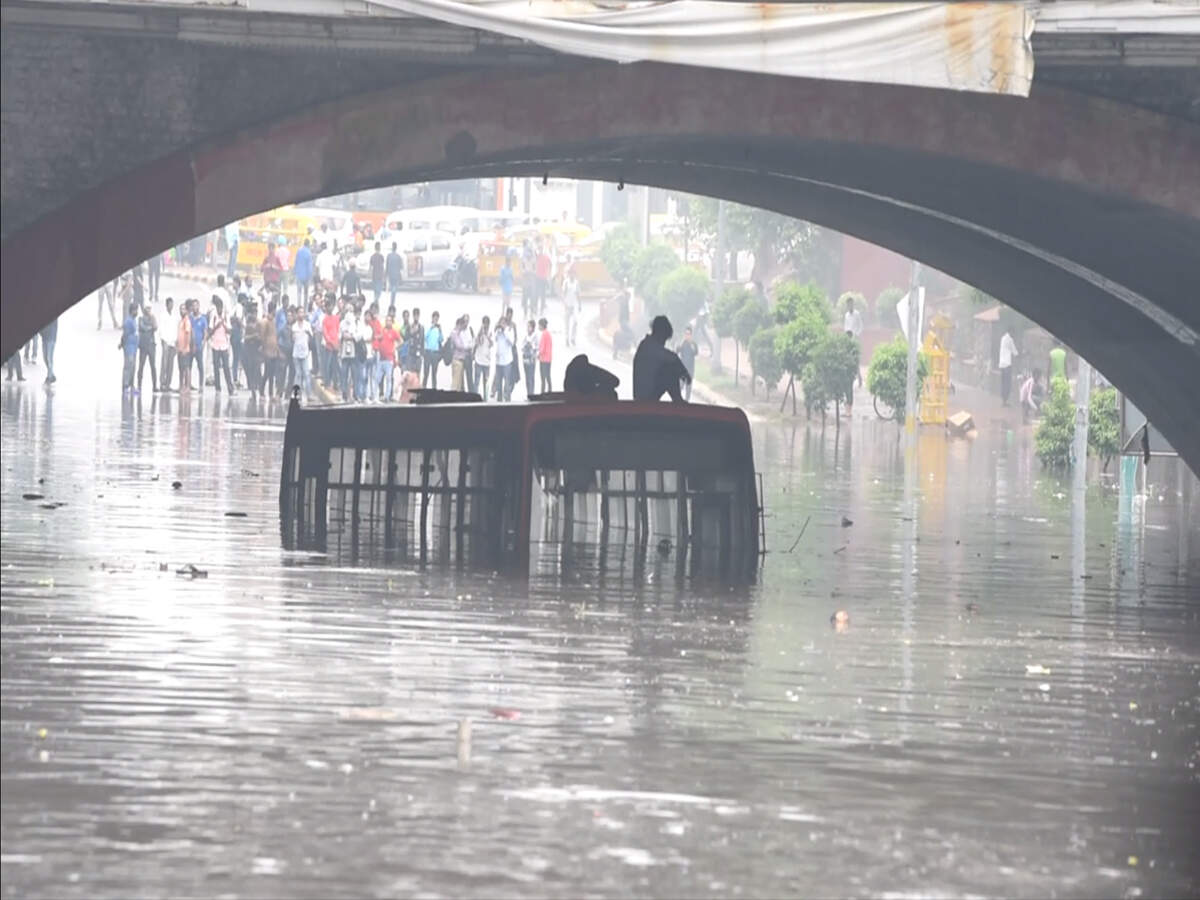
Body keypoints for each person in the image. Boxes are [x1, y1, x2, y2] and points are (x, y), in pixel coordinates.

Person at [633, 315, 690, 402]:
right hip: (645, 398)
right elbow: (673, 358)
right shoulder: (649, 346)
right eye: (664, 339)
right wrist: (684, 373)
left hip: (645, 395)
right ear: (660, 333)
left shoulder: (646, 345)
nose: (663, 343)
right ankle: (678, 400)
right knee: (669, 370)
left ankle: (678, 399)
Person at [209, 297, 234, 394]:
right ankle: (217, 388)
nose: (219, 309)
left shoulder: (226, 316)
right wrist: (216, 325)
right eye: (218, 307)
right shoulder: (214, 316)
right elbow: (210, 330)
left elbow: (230, 331)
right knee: (216, 367)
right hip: (215, 345)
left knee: (226, 368)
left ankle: (230, 388)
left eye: (220, 308)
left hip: (224, 345)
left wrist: (223, 324)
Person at [261, 300, 282, 399]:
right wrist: (264, 349)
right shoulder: (265, 321)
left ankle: (270, 393)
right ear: (272, 310)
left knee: (272, 374)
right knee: (267, 373)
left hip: (274, 351)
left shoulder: (273, 321)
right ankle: (262, 391)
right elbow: (263, 336)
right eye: (275, 310)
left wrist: (277, 349)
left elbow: (274, 336)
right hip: (267, 351)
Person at [378, 310, 401, 402]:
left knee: (389, 378)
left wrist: (394, 348)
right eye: (387, 320)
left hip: (389, 359)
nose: (388, 322)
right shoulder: (382, 331)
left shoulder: (394, 332)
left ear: (392, 322)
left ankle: (387, 396)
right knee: (378, 378)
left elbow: (400, 341)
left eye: (390, 320)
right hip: (381, 358)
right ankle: (380, 394)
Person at [339, 303, 359, 402]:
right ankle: (344, 395)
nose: (348, 313)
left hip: (354, 353)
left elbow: (358, 336)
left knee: (355, 375)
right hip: (344, 353)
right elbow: (341, 336)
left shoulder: (356, 323)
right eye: (347, 310)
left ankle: (355, 395)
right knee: (344, 374)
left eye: (350, 311)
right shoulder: (342, 323)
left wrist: (350, 336)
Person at [136, 303, 158, 392]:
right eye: (147, 308)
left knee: (153, 366)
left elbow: (155, 327)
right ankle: (139, 386)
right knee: (141, 366)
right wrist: (150, 327)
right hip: (143, 346)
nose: (148, 310)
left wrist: (152, 318)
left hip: (151, 345)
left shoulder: (152, 318)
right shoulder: (140, 318)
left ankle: (155, 386)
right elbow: (143, 327)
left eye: (149, 308)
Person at [843, 296, 864, 388]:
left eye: (851, 304)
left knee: (856, 360)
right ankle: (851, 379)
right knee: (849, 360)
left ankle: (859, 378)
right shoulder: (846, 315)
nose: (849, 306)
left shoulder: (857, 314)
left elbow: (860, 326)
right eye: (848, 304)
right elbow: (845, 326)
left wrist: (856, 334)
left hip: (855, 339)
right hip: (848, 339)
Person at [493, 312, 514, 402]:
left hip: (506, 361)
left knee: (507, 382)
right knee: (499, 382)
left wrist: (505, 331)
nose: (501, 325)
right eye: (500, 323)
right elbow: (495, 339)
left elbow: (511, 342)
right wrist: (497, 329)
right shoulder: (498, 331)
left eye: (503, 323)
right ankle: (499, 400)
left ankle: (508, 400)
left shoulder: (509, 330)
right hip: (498, 361)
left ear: (505, 324)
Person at [321, 296, 341, 388]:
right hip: (329, 346)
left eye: (331, 306)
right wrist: (332, 343)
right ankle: (327, 383)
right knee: (327, 365)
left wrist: (337, 343)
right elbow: (325, 334)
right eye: (328, 306)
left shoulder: (336, 318)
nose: (330, 308)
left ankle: (336, 384)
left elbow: (337, 331)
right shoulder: (325, 320)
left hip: (335, 345)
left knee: (335, 366)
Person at [675, 325, 699, 402]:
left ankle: (686, 401)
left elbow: (696, 352)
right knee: (680, 385)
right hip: (682, 368)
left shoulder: (693, 344)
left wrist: (691, 344)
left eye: (688, 334)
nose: (687, 335)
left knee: (688, 387)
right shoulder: (682, 343)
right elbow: (677, 351)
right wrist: (681, 343)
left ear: (691, 335)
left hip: (690, 369)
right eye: (686, 334)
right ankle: (678, 400)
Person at [190, 300, 208, 392]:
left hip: (199, 346)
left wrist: (203, 343)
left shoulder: (203, 319)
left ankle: (201, 385)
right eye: (193, 306)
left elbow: (205, 332)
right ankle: (188, 384)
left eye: (196, 306)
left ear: (199, 306)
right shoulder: (190, 318)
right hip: (190, 346)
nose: (195, 308)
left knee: (200, 366)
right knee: (188, 366)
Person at [473, 316, 493, 401]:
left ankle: (485, 399)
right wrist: (480, 333)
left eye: (487, 323)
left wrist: (487, 336)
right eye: (484, 323)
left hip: (487, 362)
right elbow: (478, 343)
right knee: (476, 382)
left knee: (486, 383)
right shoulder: (479, 332)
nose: (486, 325)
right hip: (478, 360)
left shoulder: (491, 332)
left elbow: (491, 344)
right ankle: (475, 398)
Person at [449, 316, 471, 391]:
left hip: (461, 360)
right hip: (457, 360)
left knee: (459, 384)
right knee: (455, 383)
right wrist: (468, 347)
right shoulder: (454, 333)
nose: (462, 327)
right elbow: (459, 345)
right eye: (461, 324)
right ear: (458, 324)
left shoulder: (458, 334)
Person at [175, 303, 193, 393]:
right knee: (181, 368)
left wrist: (186, 347)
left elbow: (188, 335)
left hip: (185, 349)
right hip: (180, 349)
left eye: (183, 309)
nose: (181, 311)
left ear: (186, 311)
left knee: (186, 368)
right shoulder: (180, 321)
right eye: (180, 309)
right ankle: (181, 386)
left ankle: (187, 387)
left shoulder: (187, 321)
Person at [422, 310, 442, 388]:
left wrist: (440, 330)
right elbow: (425, 337)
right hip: (428, 352)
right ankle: (423, 388)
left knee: (434, 374)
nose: (436, 320)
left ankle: (434, 389)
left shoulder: (438, 328)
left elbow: (441, 339)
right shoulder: (428, 326)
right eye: (435, 318)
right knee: (426, 373)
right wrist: (431, 328)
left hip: (435, 353)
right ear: (432, 318)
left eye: (437, 319)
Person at [999, 329, 1018, 406]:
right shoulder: (1010, 340)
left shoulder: (1003, 338)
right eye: (1013, 332)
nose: (1014, 334)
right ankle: (1005, 401)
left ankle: (1004, 401)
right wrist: (1024, 354)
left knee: (1003, 383)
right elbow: (1015, 353)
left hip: (1002, 364)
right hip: (1007, 365)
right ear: (1011, 332)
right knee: (1007, 383)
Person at [293, 238, 313, 307]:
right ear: (308, 244)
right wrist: (310, 276)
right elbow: (309, 266)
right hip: (306, 276)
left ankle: (299, 305)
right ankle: (305, 307)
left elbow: (296, 262)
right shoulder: (309, 253)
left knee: (299, 292)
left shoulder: (299, 251)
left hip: (299, 275)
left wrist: (295, 272)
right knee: (306, 293)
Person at [522, 319, 538, 399]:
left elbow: (537, 348)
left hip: (531, 361)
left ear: (533, 328)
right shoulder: (525, 336)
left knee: (531, 378)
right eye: (527, 326)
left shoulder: (535, 337)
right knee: (527, 378)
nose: (527, 328)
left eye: (529, 326)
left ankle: (532, 395)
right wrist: (525, 345)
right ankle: (528, 394)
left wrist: (531, 345)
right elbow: (522, 347)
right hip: (525, 360)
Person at [39, 317, 58, 385]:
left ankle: (49, 377)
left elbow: (54, 327)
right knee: (45, 358)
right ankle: (51, 375)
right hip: (45, 338)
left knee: (49, 358)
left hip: (51, 339)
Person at [537, 317, 553, 394]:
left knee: (543, 378)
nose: (538, 327)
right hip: (549, 359)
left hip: (543, 359)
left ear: (542, 325)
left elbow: (542, 348)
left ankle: (542, 392)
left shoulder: (544, 334)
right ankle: (550, 390)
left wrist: (538, 355)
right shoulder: (548, 334)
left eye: (539, 325)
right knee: (548, 376)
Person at [386, 242, 403, 306]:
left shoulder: (389, 256)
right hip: (396, 274)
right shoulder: (398, 257)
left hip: (390, 274)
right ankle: (392, 301)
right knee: (394, 287)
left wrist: (386, 274)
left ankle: (392, 300)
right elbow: (401, 267)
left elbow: (387, 266)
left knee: (392, 286)